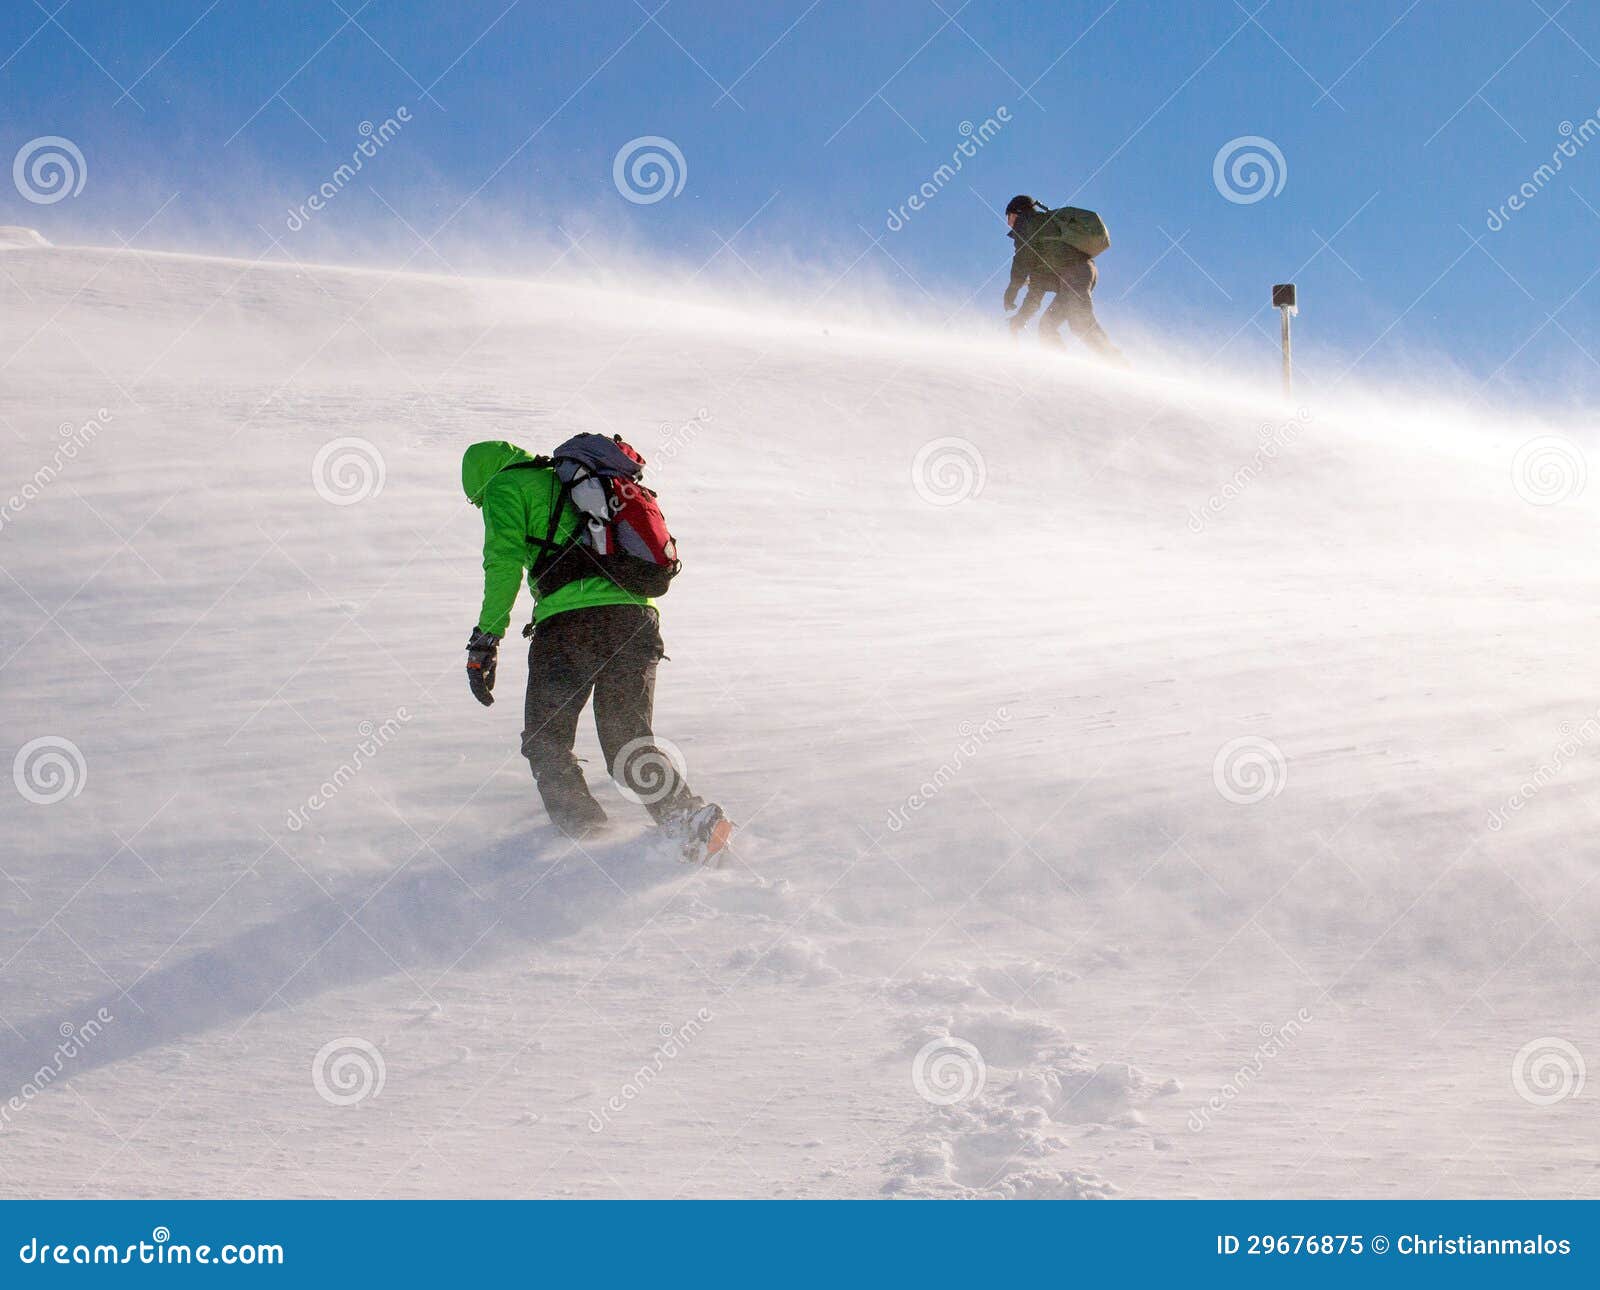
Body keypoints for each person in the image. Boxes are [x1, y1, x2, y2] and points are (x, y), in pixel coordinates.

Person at [461, 439, 731, 861]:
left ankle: (586, 844)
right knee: (627, 739)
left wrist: (486, 638)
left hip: (569, 627)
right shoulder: (577, 482)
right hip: (635, 620)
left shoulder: (504, 486)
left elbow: (503, 562)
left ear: (478, 482)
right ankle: (688, 819)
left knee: (545, 740)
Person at [1002, 194, 1124, 362]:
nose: (1009, 224)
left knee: (1080, 322)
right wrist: (1021, 318)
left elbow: (1022, 258)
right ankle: (1061, 366)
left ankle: (1117, 364)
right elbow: (1035, 292)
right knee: (1047, 325)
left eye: (1009, 218)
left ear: (1017, 213)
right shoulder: (1041, 243)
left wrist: (1013, 289)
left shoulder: (1028, 223)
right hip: (1080, 273)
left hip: (1074, 274)